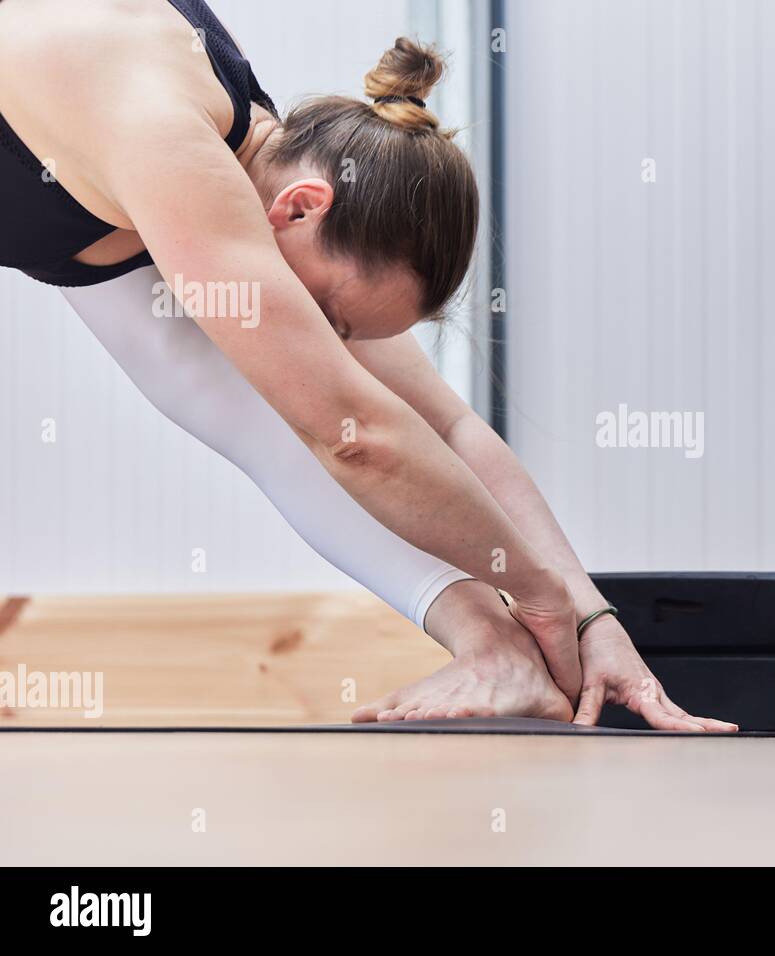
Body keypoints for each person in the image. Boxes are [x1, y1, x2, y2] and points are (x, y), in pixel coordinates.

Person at [0, 0, 736, 732]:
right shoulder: (161, 129)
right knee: (328, 423)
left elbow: (441, 425)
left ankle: (494, 651)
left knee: (303, 416)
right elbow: (354, 437)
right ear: (300, 208)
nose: (324, 337)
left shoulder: (255, 147)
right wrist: (536, 590)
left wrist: (590, 620)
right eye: (328, 313)